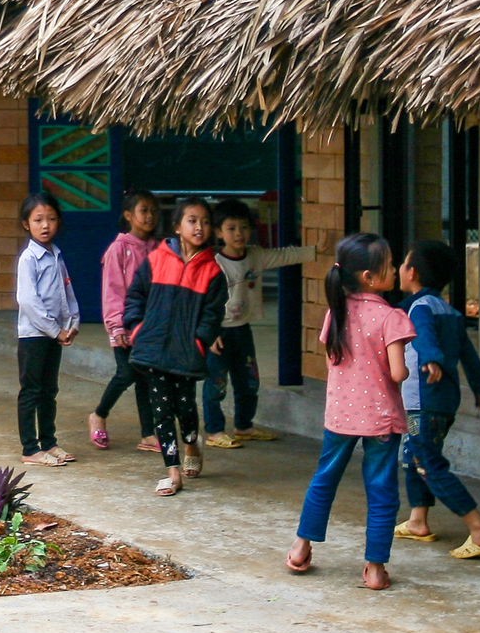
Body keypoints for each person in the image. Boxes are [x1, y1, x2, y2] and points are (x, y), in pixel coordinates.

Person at [285, 232, 415, 590]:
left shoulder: (335, 313)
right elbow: (397, 373)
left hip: (341, 415)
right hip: (381, 419)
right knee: (382, 489)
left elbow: (332, 361)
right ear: (369, 278)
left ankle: (300, 547)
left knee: (324, 479)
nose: (394, 272)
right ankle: (375, 569)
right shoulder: (392, 317)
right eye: (389, 267)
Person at [392, 240, 480, 558]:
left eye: (402, 264)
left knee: (428, 463)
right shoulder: (451, 311)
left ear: (411, 273)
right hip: (443, 402)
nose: (399, 269)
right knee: (413, 455)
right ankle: (417, 521)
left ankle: (478, 527)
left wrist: (431, 359)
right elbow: (469, 357)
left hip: (424, 399)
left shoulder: (420, 308)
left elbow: (424, 335)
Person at [123, 195, 227, 496]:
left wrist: (198, 341)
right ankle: (173, 471)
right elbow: (135, 296)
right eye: (192, 221)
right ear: (177, 227)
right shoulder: (156, 259)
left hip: (186, 354)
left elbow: (212, 316)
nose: (200, 227)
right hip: (154, 350)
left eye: (205, 222)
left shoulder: (213, 272)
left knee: (185, 407)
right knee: (161, 411)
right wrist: (139, 328)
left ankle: (192, 443)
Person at [203, 198, 313, 448]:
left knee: (249, 381)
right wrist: (209, 333)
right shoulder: (213, 263)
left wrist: (316, 251)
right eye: (231, 228)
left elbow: (285, 255)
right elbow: (200, 300)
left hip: (242, 330)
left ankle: (243, 426)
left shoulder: (255, 256)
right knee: (216, 384)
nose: (239, 233)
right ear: (219, 232)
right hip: (218, 334)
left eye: (243, 227)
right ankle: (214, 431)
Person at [89, 189, 161, 452]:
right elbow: (112, 291)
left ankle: (148, 434)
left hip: (150, 326)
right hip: (124, 327)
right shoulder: (118, 249)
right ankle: (99, 414)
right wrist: (117, 325)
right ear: (129, 215)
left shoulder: (159, 248)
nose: (150, 216)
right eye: (144, 210)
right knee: (127, 372)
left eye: (154, 210)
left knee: (146, 377)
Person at [16, 191, 80, 467]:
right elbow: (28, 300)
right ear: (26, 224)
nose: (45, 225)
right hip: (34, 336)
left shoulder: (57, 255)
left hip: (54, 334)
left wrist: (73, 322)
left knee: (49, 390)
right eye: (38, 219)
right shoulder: (28, 259)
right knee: (31, 390)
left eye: (51, 219)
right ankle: (30, 448)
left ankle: (49, 442)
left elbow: (67, 292)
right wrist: (55, 330)